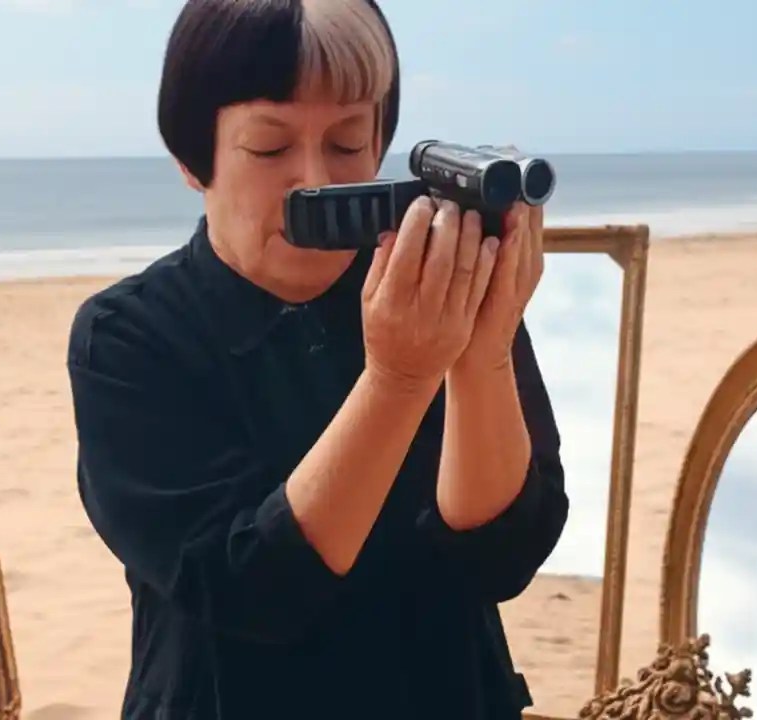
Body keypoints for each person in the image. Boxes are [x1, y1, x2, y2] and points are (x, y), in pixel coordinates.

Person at [66, 1, 568, 717]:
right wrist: (399, 379)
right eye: (270, 148)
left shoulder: (426, 293)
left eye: (347, 143)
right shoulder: (128, 337)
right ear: (191, 160)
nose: (315, 179)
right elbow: (253, 587)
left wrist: (482, 353)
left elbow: (503, 554)